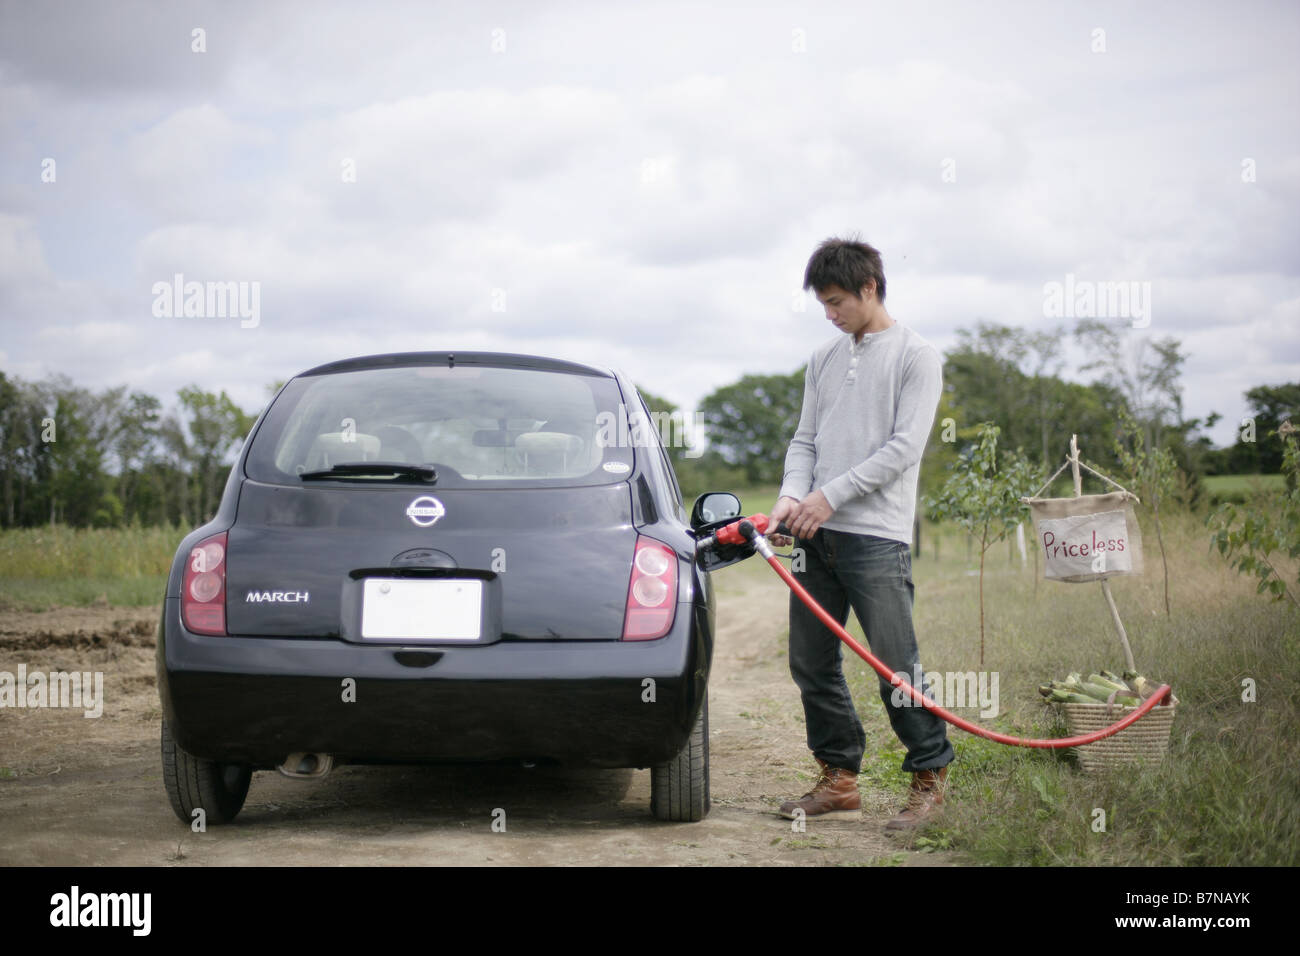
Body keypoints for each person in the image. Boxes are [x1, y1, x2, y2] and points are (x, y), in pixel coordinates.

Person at [769, 236, 954, 833]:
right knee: (811, 663)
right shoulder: (823, 359)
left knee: (896, 668)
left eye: (837, 301)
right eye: (823, 304)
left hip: (875, 538)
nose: (830, 313)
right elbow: (805, 441)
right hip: (812, 537)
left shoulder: (916, 356)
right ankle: (839, 778)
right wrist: (790, 498)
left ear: (870, 287)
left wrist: (830, 495)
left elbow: (903, 449)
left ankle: (928, 779)